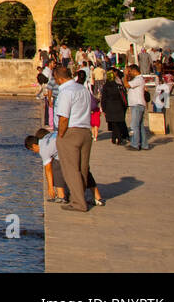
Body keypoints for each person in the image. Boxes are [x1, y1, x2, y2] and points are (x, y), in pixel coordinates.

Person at [25, 128, 104, 206]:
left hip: (69, 152)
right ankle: (98, 198)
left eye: (32, 150)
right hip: (77, 145)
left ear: (34, 146)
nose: (34, 152)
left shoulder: (43, 149)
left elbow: (48, 169)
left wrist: (50, 188)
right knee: (85, 171)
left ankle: (61, 196)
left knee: (55, 166)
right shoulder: (48, 136)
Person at [52, 64, 93, 212]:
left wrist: (61, 135)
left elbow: (63, 118)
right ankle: (80, 197)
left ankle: (78, 202)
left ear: (59, 78)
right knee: (82, 168)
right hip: (85, 131)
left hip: (70, 132)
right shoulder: (82, 89)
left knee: (70, 169)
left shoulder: (66, 92)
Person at [99, 70, 129, 144]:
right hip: (118, 106)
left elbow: (104, 98)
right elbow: (123, 96)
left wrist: (103, 108)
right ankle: (116, 138)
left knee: (114, 123)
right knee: (117, 123)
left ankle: (117, 138)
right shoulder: (118, 86)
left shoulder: (106, 86)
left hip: (109, 107)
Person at [124, 64, 150, 151]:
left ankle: (135, 144)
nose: (129, 73)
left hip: (137, 105)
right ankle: (144, 144)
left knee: (134, 125)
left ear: (134, 70)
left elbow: (126, 85)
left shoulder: (138, 79)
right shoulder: (137, 79)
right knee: (140, 126)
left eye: (130, 71)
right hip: (137, 104)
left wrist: (125, 75)